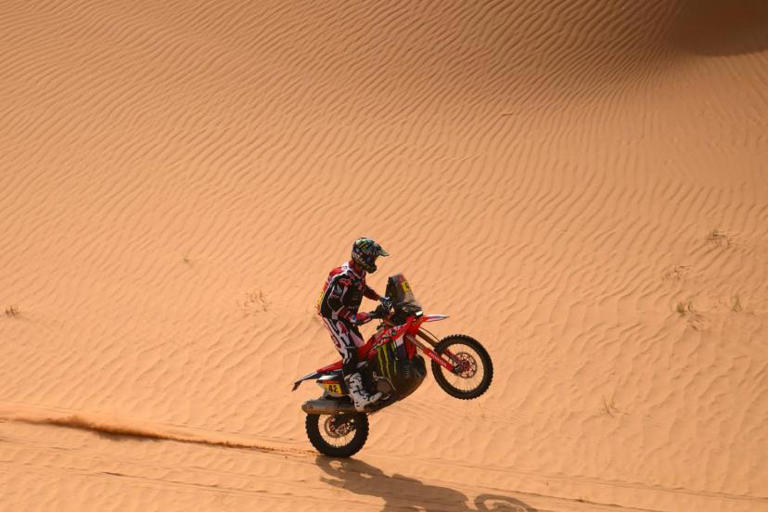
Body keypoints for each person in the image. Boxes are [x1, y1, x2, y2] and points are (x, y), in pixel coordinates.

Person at [318, 238, 391, 411]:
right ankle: (358, 396)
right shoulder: (343, 276)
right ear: (362, 256)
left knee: (363, 353)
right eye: (372, 258)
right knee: (350, 354)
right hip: (333, 318)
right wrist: (351, 317)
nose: (374, 262)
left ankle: (364, 388)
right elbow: (329, 303)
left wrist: (380, 298)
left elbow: (362, 288)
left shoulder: (358, 273)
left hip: (345, 317)